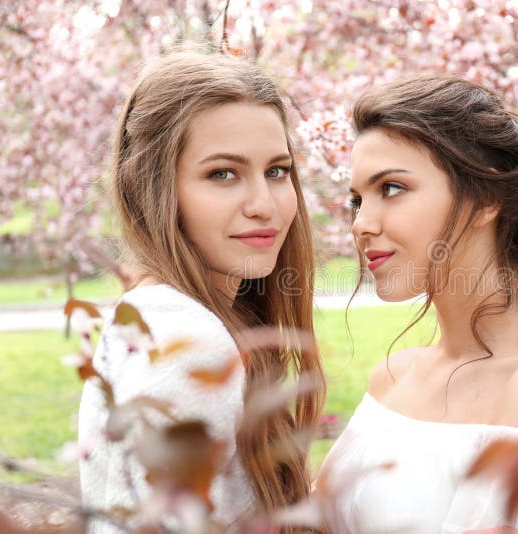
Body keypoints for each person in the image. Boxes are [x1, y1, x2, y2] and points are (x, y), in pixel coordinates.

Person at [320, 75, 518, 533]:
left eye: (391, 188)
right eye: (357, 199)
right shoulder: (392, 375)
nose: (360, 224)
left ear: (484, 200)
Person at [77, 46, 324, 533]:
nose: (263, 205)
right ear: (154, 188)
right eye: (223, 174)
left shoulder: (154, 315)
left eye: (277, 171)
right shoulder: (188, 345)